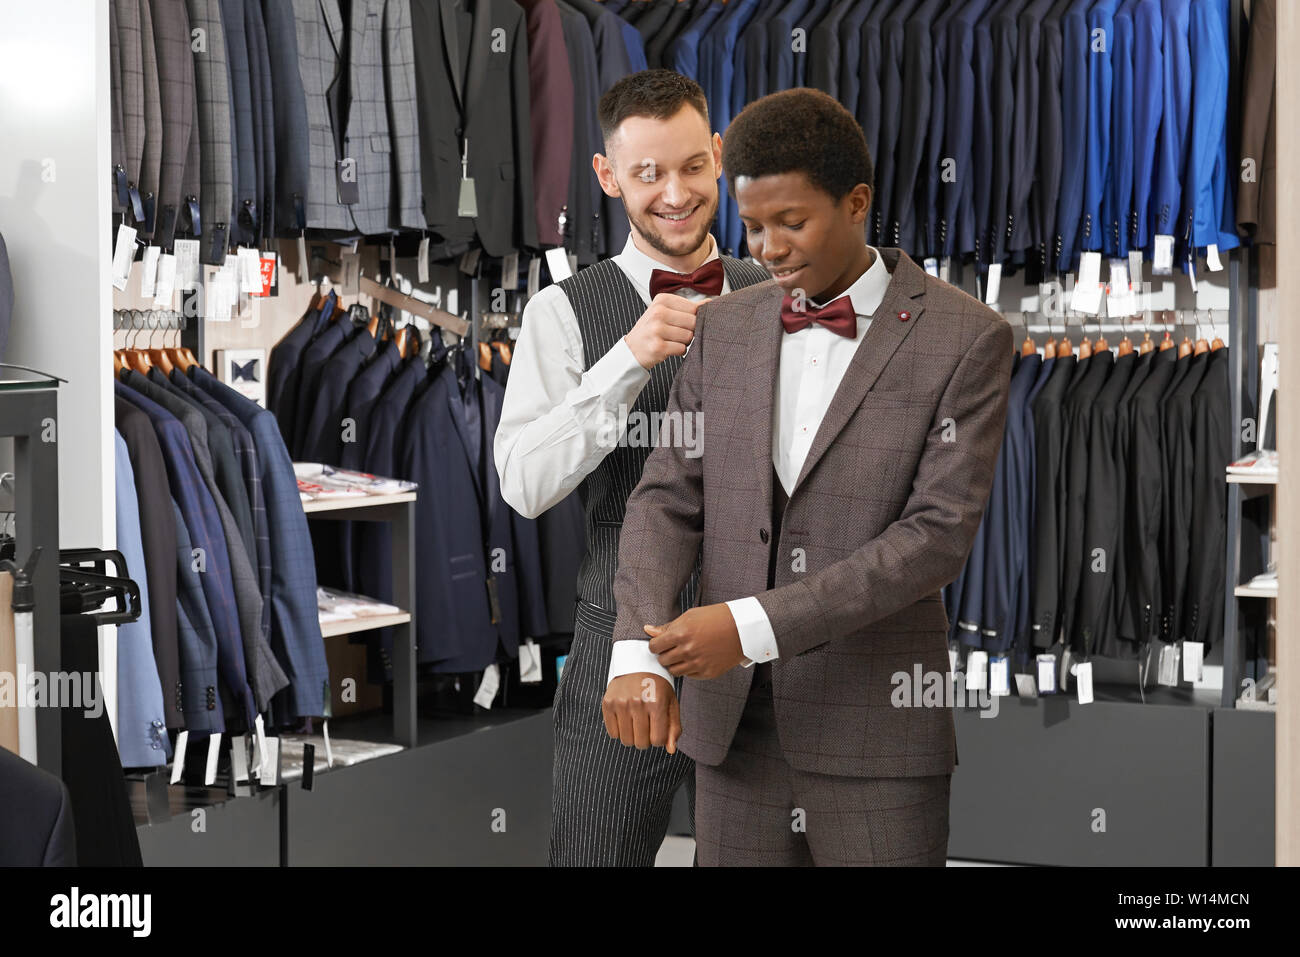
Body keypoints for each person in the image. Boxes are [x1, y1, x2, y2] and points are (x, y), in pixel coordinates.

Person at [605, 87, 1013, 866]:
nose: (769, 249)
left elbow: (933, 537)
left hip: (875, 734)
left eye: (791, 222)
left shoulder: (967, 338)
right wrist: (636, 648)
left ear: (857, 202)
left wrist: (749, 625)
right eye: (753, 226)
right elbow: (665, 498)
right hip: (732, 736)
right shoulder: (722, 328)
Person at [494, 69, 769, 866]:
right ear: (609, 176)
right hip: (621, 649)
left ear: (719, 156)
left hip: (757, 654)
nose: (674, 193)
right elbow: (523, 483)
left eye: (690, 166)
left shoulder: (774, 293)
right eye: (647, 173)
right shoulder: (562, 311)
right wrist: (625, 360)